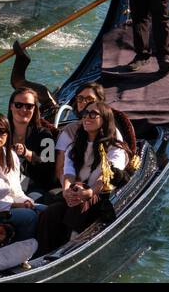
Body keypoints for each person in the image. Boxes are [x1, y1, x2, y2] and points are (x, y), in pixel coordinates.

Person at [37, 101, 130, 249]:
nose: (87, 117)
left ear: (104, 119)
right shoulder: (75, 146)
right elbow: (68, 173)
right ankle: (42, 251)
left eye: (93, 114)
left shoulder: (115, 148)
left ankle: (70, 245)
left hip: (101, 196)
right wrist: (67, 189)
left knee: (78, 201)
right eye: (85, 113)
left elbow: (106, 176)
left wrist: (90, 192)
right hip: (76, 193)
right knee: (51, 213)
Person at [7, 88, 58, 195]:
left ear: (34, 109)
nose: (24, 109)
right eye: (18, 105)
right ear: (11, 106)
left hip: (35, 186)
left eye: (29, 106)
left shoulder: (45, 135)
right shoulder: (1, 132)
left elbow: (49, 168)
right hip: (3, 181)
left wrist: (27, 153)